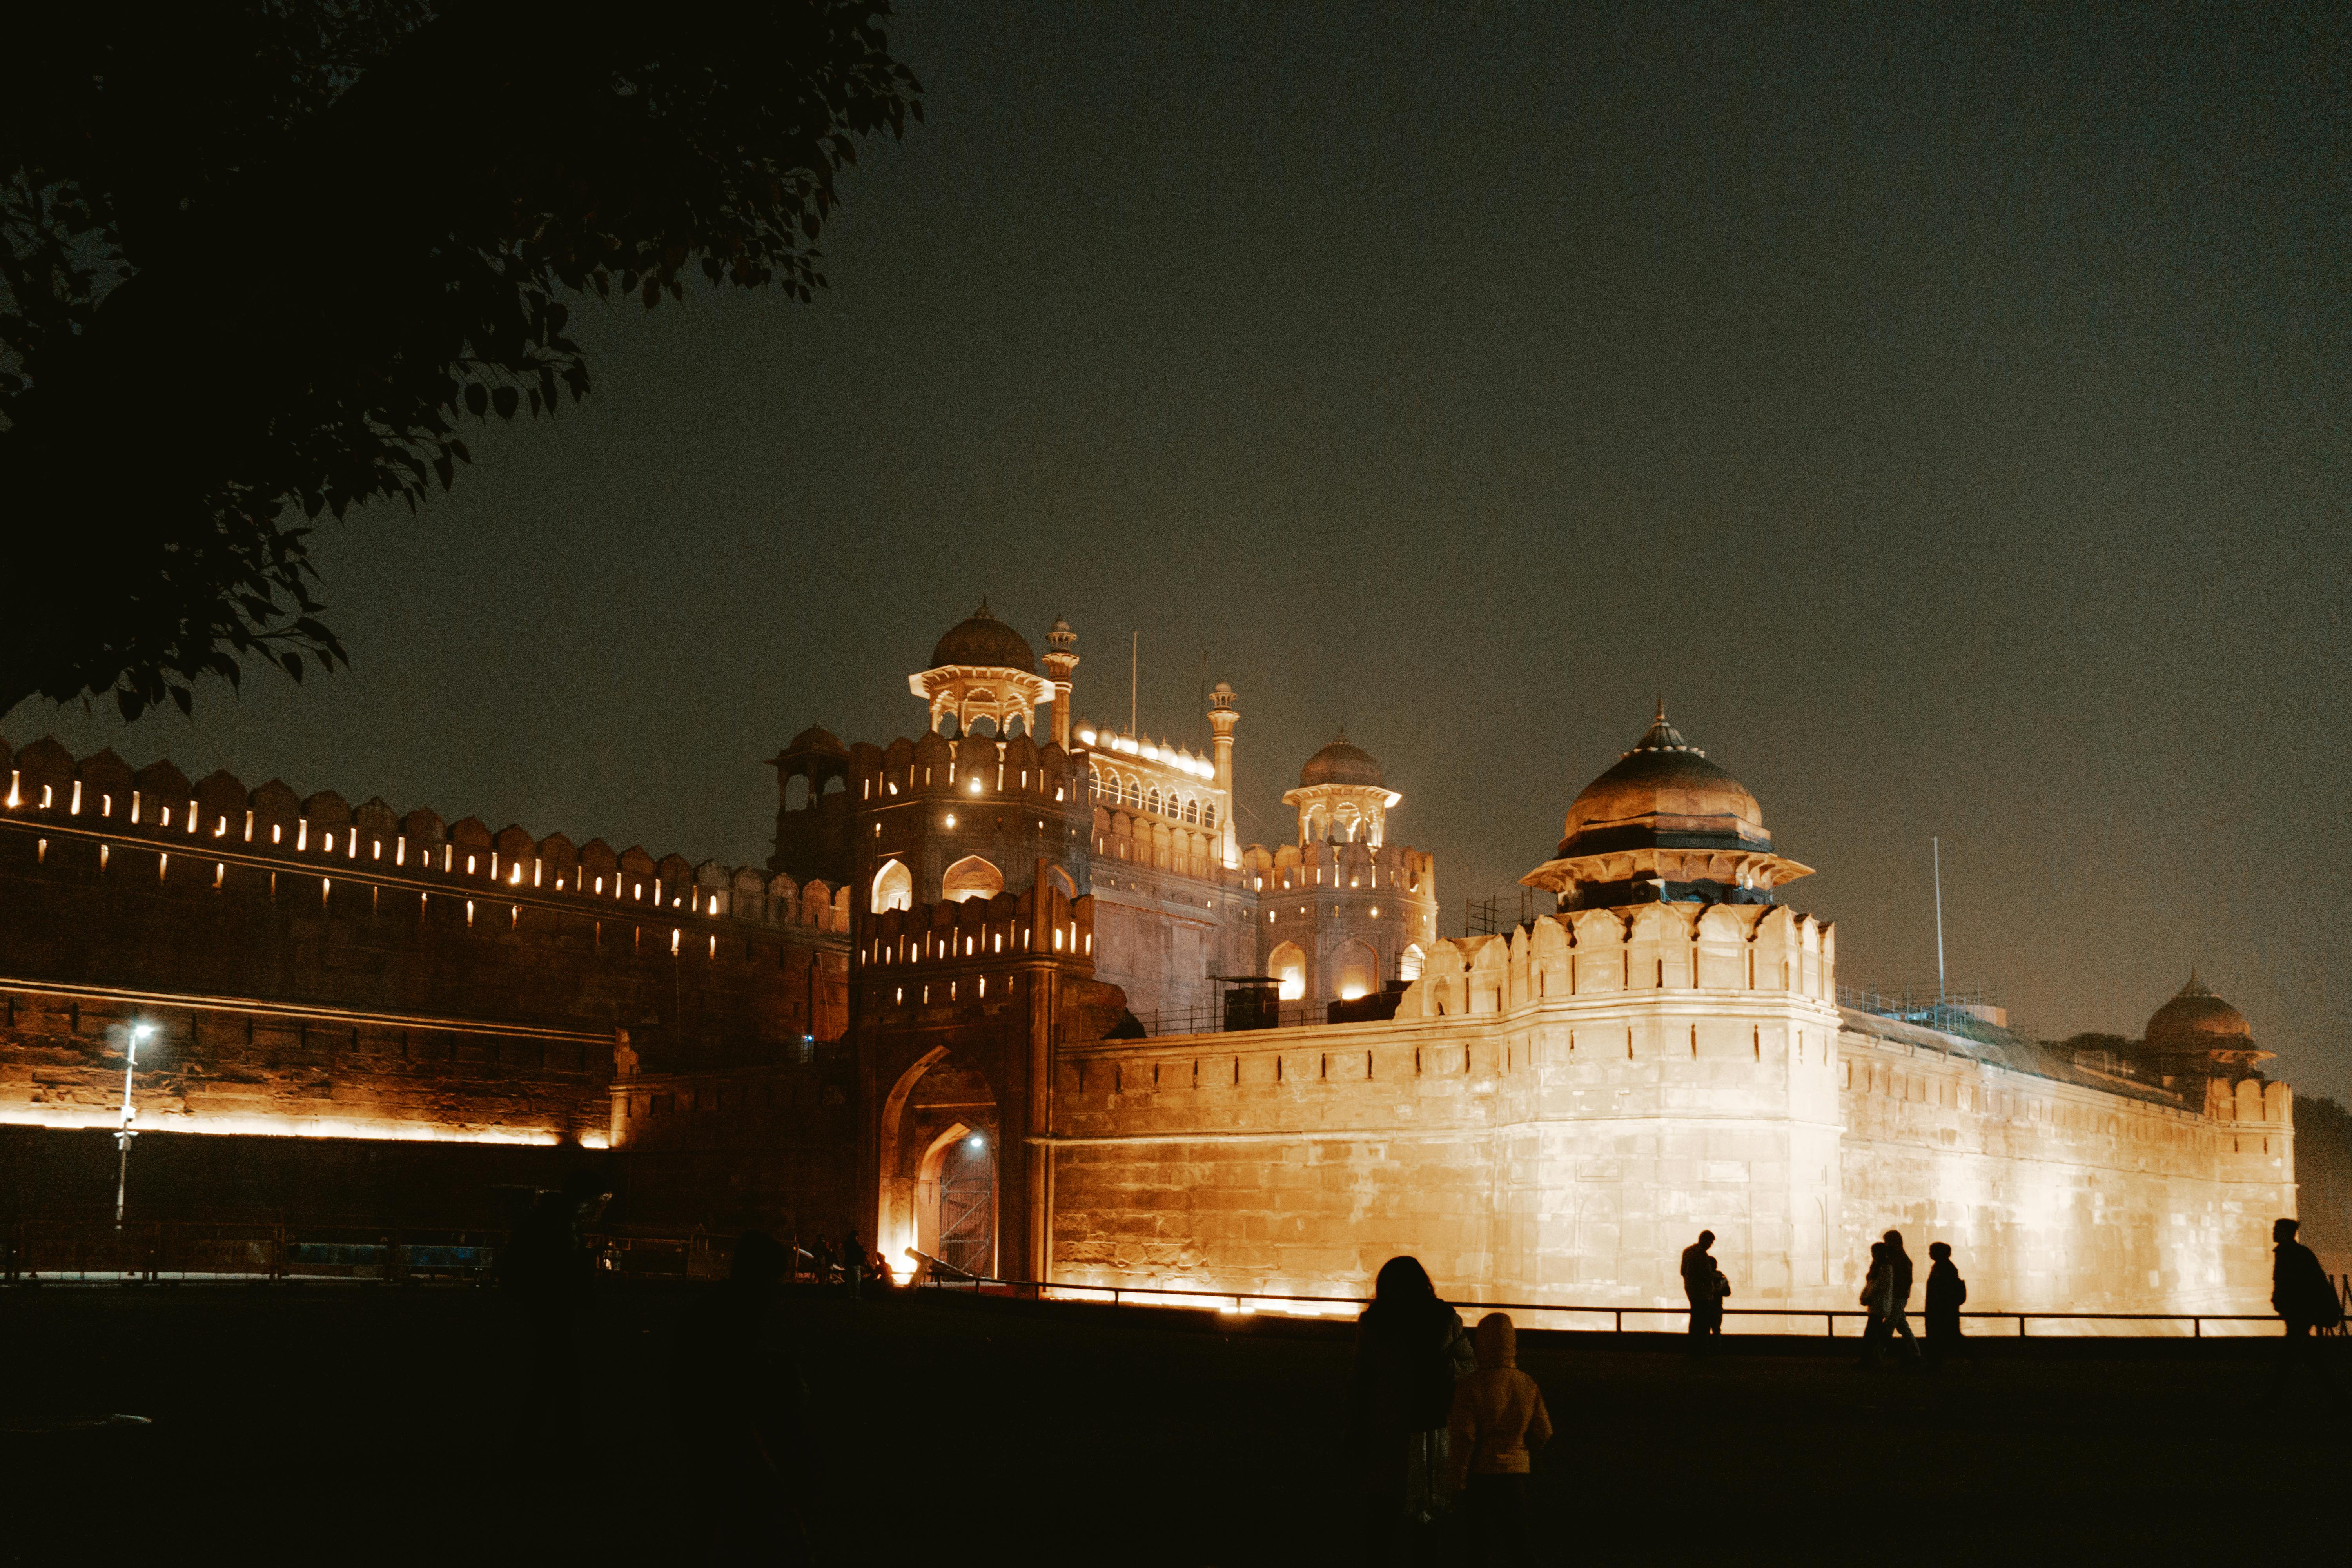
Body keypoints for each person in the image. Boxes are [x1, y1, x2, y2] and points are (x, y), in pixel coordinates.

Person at [679, 1230, 811, 1559]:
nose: (775, 1291)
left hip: (709, 1429)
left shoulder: (721, 1311)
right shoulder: (732, 1316)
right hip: (723, 1429)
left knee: (712, 1511)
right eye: (771, 1280)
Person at [1350, 1255, 1476, 1556]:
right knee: (1425, 1520)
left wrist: (1355, 1426)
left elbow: (1360, 1379)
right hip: (1428, 1429)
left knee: (1381, 1520)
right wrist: (1446, 1370)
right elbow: (1469, 1365)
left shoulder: (1375, 1322)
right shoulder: (1443, 1319)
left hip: (1386, 1426)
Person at [1446, 1312, 1553, 1567]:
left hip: (1480, 1475)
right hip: (1515, 1474)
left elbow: (1465, 1437)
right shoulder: (1527, 1383)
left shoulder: (1471, 1386)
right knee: (1519, 1543)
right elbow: (1544, 1431)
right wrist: (1523, 1452)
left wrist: (1457, 1481)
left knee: (1479, 1545)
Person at [2269, 1216, 2343, 1398]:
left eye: (2277, 1229)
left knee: (2287, 1360)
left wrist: (2283, 1302)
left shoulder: (2290, 1254)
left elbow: (2293, 1284)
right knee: (2310, 1359)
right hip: (2300, 1313)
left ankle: (2270, 1402)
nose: (2273, 1232)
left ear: (2285, 1233)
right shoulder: (2297, 1253)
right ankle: (2339, 1400)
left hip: (2299, 1314)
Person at [1924, 1241, 1971, 1367]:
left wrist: (1938, 1307)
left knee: (1947, 1336)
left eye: (1932, 1251)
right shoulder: (1944, 1267)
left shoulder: (1943, 1269)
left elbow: (1943, 1291)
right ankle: (1935, 1362)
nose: (1930, 1254)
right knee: (1950, 1336)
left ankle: (1936, 1362)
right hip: (1945, 1309)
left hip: (1942, 1310)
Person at [1680, 1231, 1722, 1351]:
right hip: (1703, 1294)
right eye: (1711, 1242)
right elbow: (1706, 1276)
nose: (1711, 1245)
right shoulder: (1702, 1255)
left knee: (1695, 1320)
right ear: (1706, 1240)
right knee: (1703, 1322)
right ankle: (1701, 1348)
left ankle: (1693, 1347)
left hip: (1691, 1291)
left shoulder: (1687, 1252)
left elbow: (1683, 1271)